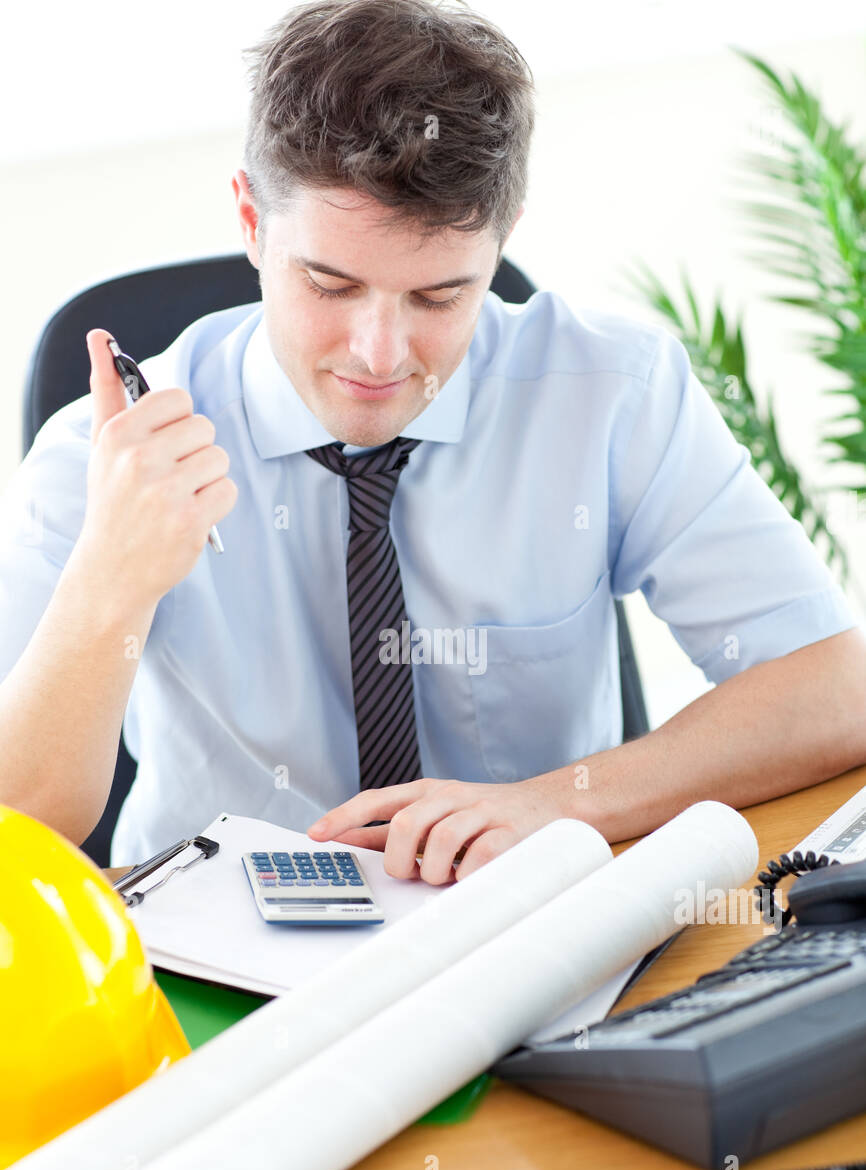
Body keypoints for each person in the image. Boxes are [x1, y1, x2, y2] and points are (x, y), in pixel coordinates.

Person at [1, 0, 865, 884]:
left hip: (531, 934)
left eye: (439, 298)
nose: (379, 356)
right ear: (252, 222)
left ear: (503, 240)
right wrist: (112, 573)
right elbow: (18, 825)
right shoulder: (105, 453)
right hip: (221, 968)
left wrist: (553, 802)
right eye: (329, 285)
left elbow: (836, 689)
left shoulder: (614, 394)